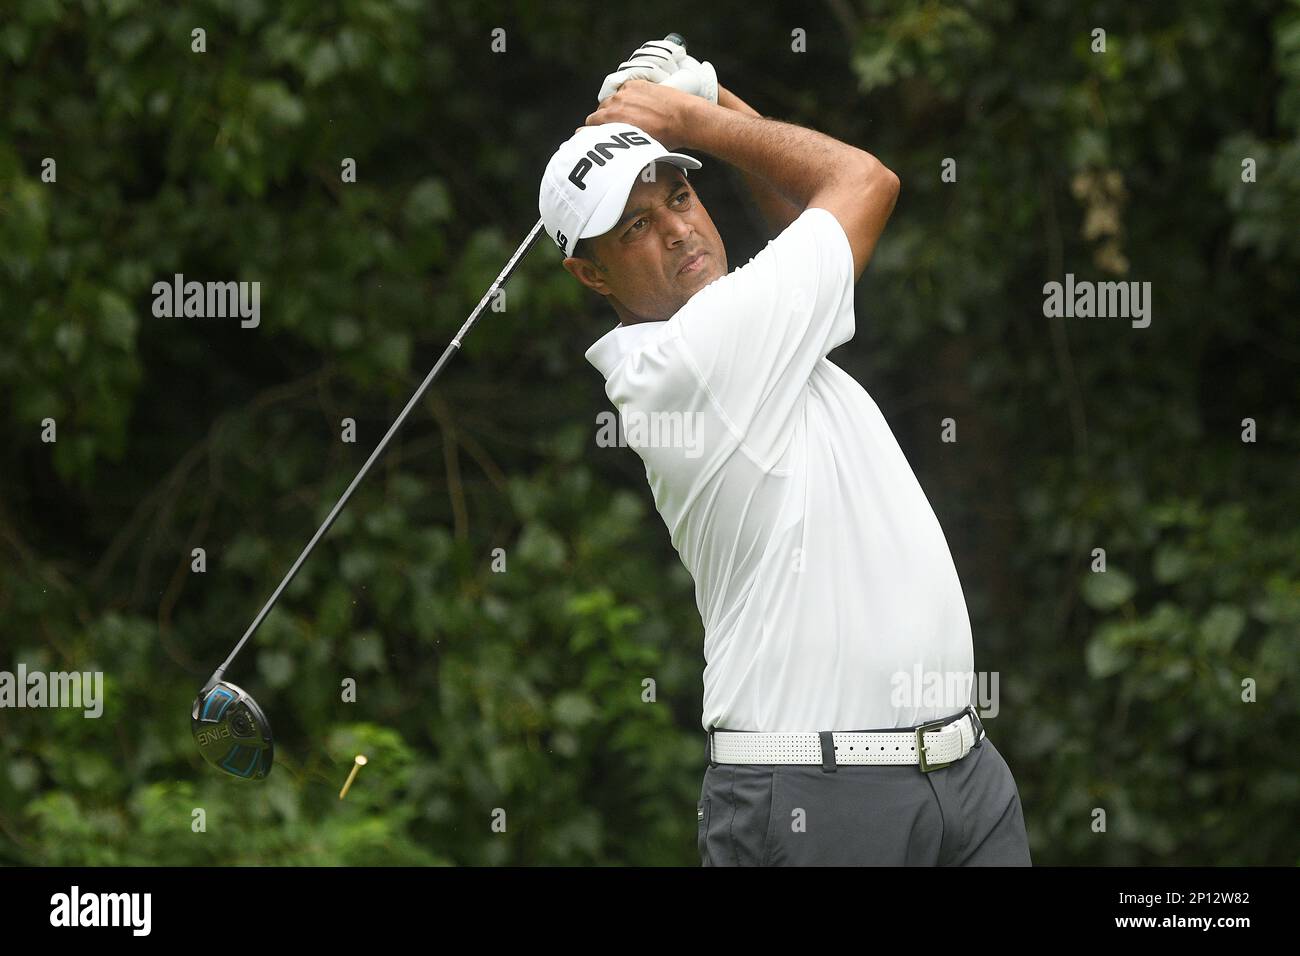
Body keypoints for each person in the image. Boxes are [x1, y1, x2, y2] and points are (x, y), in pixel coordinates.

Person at [536, 41, 1031, 866]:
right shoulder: (692, 357)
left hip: (963, 779)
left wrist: (715, 98)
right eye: (636, 228)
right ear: (592, 276)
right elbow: (862, 183)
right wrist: (698, 112)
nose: (679, 230)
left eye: (682, 195)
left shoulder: (752, 330)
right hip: (815, 798)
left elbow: (807, 224)